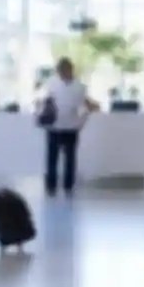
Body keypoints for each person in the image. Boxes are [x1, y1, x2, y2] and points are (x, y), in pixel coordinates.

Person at [39, 57, 99, 197]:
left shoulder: (79, 86)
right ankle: (52, 186)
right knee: (53, 158)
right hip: (55, 126)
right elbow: (44, 102)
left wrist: (86, 114)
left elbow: (86, 104)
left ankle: (67, 185)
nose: (63, 73)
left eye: (64, 70)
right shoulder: (52, 84)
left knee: (69, 158)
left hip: (71, 127)